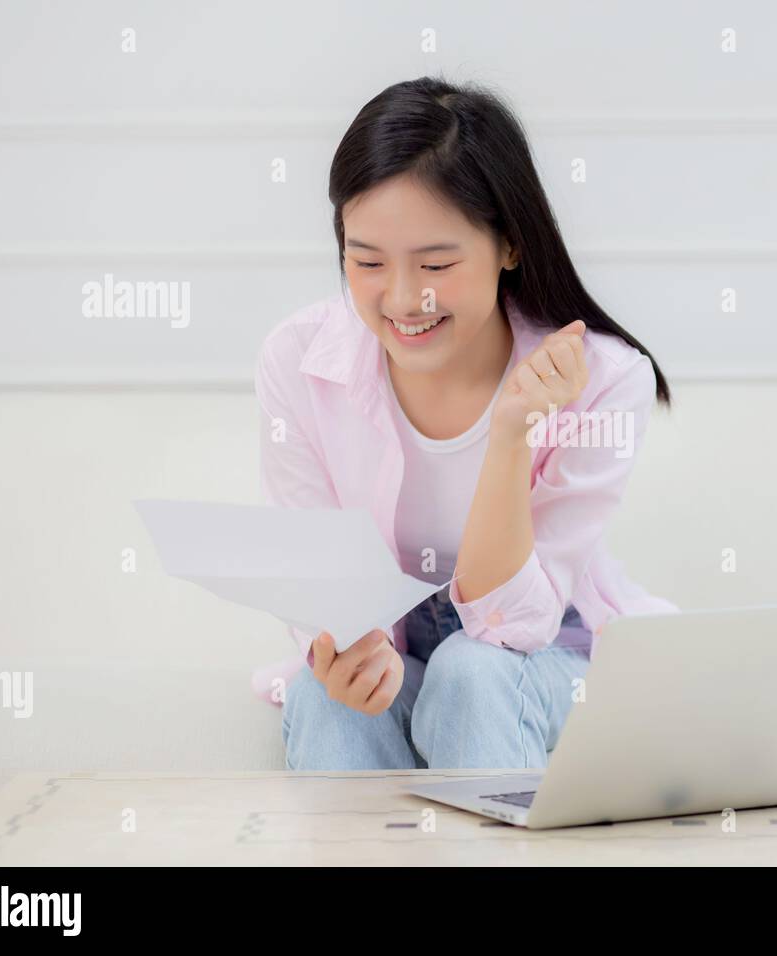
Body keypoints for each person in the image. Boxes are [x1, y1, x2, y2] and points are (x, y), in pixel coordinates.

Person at [254, 75, 677, 770]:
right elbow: (314, 574)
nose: (401, 298)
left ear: (510, 244)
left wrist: (512, 435)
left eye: (436, 263)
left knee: (471, 671)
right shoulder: (297, 360)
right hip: (401, 657)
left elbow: (517, 626)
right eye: (365, 262)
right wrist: (338, 651)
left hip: (543, 661)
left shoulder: (602, 379)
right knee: (328, 699)